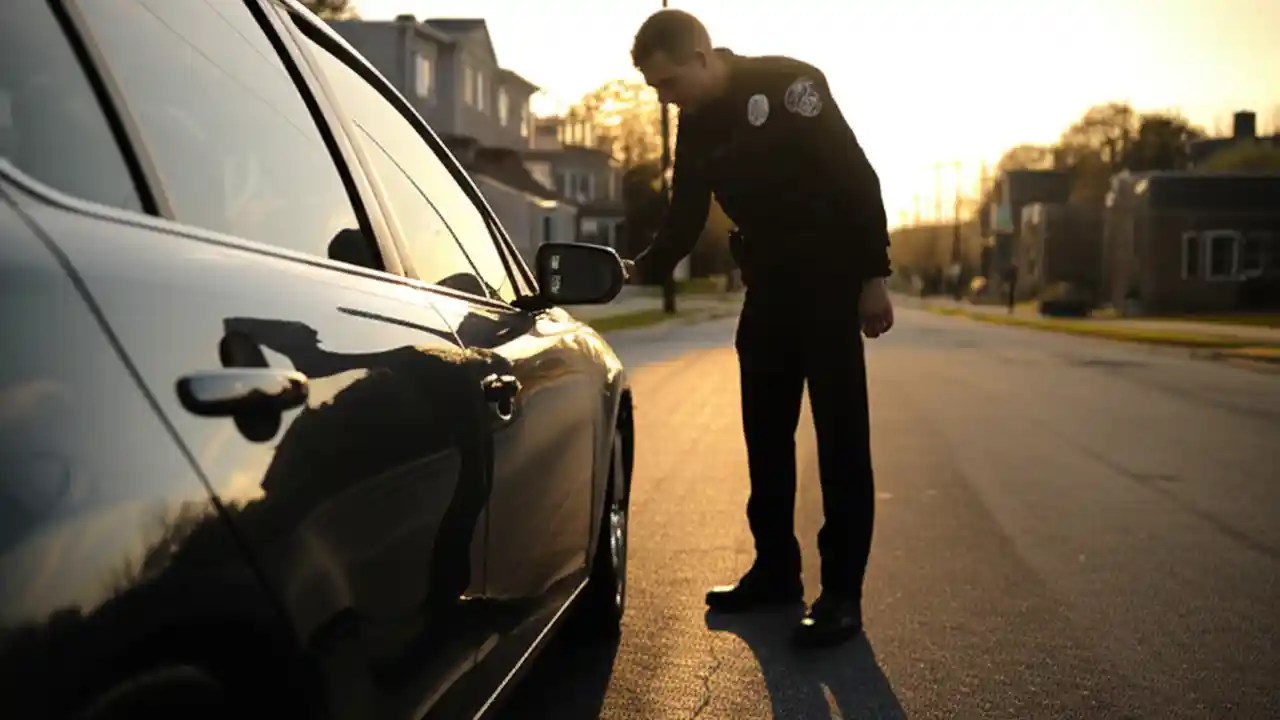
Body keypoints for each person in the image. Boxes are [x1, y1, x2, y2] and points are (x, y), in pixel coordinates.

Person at [626, 9, 895, 648]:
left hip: (830, 284)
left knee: (840, 442)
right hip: (768, 290)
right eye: (654, 89)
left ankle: (841, 595)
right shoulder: (695, 126)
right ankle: (775, 572)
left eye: (667, 84)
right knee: (765, 439)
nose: (665, 99)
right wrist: (637, 269)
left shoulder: (789, 85)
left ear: (700, 54)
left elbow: (856, 177)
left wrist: (873, 275)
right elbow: (685, 215)